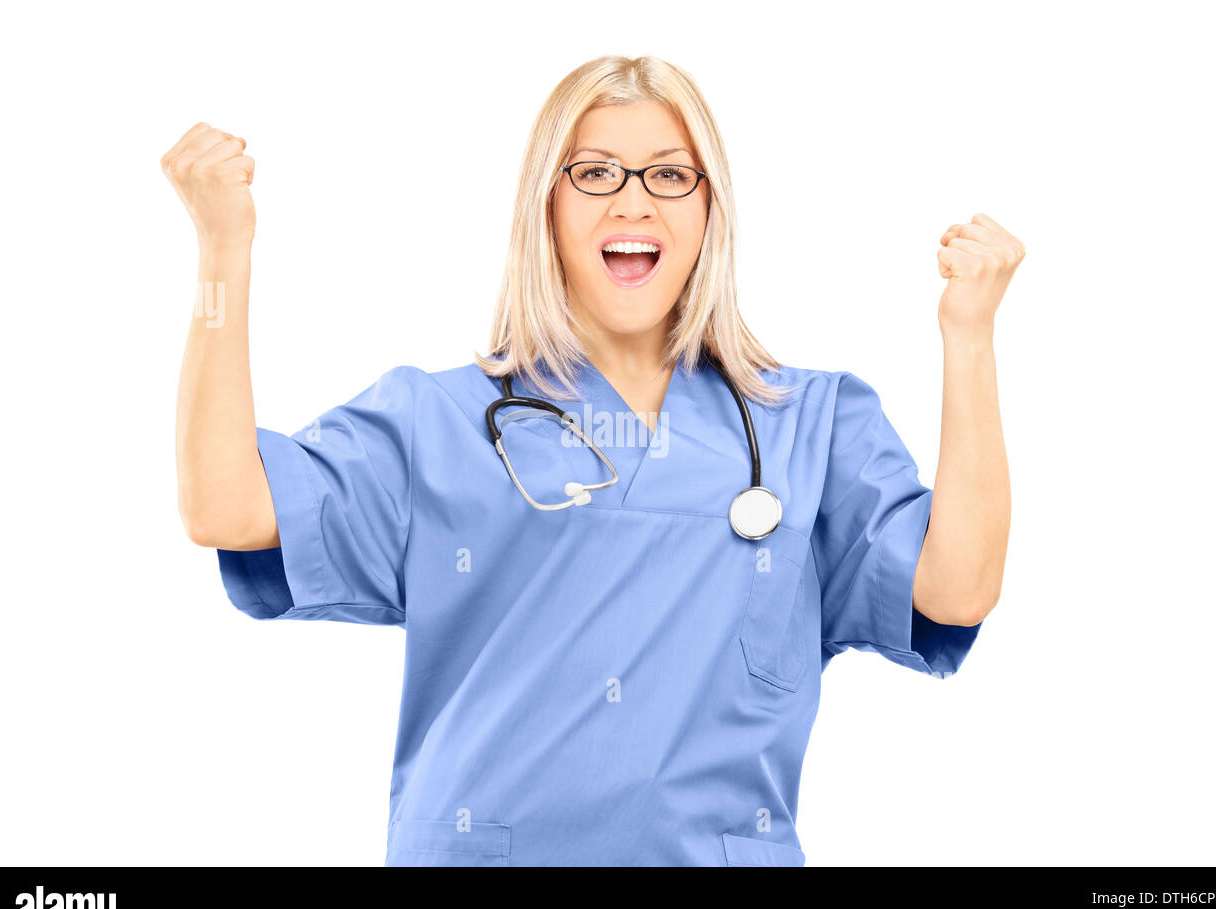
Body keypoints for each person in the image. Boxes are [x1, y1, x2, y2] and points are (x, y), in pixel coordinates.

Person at [163, 55, 1017, 867]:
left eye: (669, 174)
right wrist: (221, 253)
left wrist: (969, 337)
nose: (633, 202)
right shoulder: (439, 420)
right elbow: (225, 507)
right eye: (596, 172)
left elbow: (958, 587)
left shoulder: (809, 425)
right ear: (547, 205)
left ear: (710, 208)